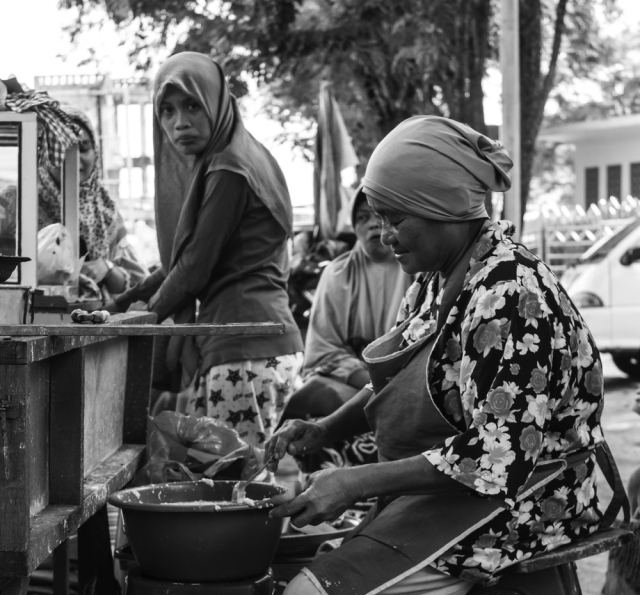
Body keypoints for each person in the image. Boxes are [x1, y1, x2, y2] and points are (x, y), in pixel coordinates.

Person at [266, 115, 624, 595]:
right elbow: (393, 380)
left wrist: (353, 481)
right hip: (471, 481)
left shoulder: (511, 298)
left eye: (397, 217)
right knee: (329, 578)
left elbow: (498, 456)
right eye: (379, 215)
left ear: (449, 210)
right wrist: (320, 429)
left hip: (533, 498)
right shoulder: (445, 272)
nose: (383, 232)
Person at [121, 52, 304, 449]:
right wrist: (128, 298)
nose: (179, 123)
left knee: (229, 486)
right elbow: (187, 257)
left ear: (216, 103)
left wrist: (136, 322)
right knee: (237, 481)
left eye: (192, 105)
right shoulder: (239, 153)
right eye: (166, 111)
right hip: (256, 343)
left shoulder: (228, 168)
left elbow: (192, 271)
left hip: (245, 347)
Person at [284, 186, 411, 470]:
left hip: (406, 386)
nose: (371, 225)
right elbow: (323, 351)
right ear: (353, 226)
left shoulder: (421, 272)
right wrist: (371, 382)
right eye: (362, 217)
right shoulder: (337, 273)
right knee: (320, 404)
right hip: (357, 384)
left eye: (380, 216)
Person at [36, 106, 147, 296]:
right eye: (62, 149)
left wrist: (107, 269)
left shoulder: (106, 213)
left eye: (84, 148)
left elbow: (138, 285)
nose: (75, 159)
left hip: (96, 320)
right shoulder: (21, 207)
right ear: (43, 154)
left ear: (95, 152)